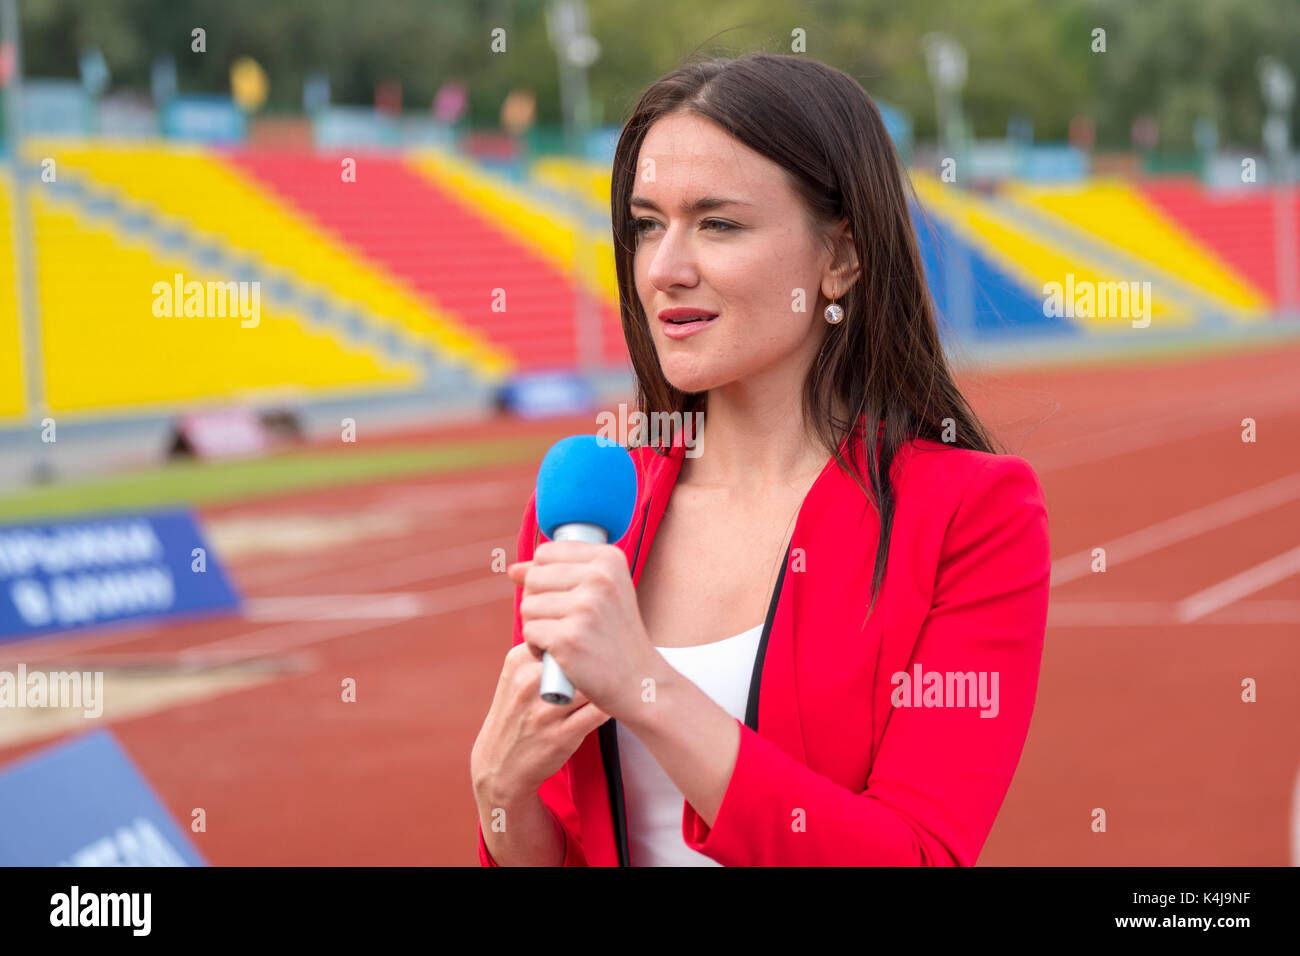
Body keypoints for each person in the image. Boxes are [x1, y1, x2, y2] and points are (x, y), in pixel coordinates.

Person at [471, 51, 1051, 866]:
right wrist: (501, 794)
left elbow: (916, 854)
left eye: (718, 224)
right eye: (646, 224)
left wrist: (649, 688)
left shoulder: (970, 513)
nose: (665, 269)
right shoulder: (585, 511)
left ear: (840, 257)